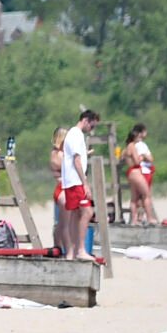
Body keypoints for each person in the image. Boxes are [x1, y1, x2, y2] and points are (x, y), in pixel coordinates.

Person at [58, 109, 101, 261]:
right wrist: (85, 183)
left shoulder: (72, 134)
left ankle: (76, 249)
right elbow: (76, 160)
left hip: (71, 180)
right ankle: (80, 249)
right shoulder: (76, 134)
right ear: (86, 121)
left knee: (76, 215)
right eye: (92, 126)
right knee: (87, 212)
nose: (92, 130)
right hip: (75, 181)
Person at [125, 124, 155, 226]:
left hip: (130, 172)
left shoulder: (127, 147)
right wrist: (141, 157)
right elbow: (137, 162)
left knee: (134, 198)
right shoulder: (132, 146)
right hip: (136, 171)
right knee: (146, 195)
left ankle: (134, 220)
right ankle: (150, 218)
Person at [48, 126, 68, 243]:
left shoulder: (55, 153)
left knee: (60, 222)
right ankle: (61, 247)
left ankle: (58, 246)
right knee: (64, 223)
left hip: (60, 187)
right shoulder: (59, 155)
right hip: (63, 188)